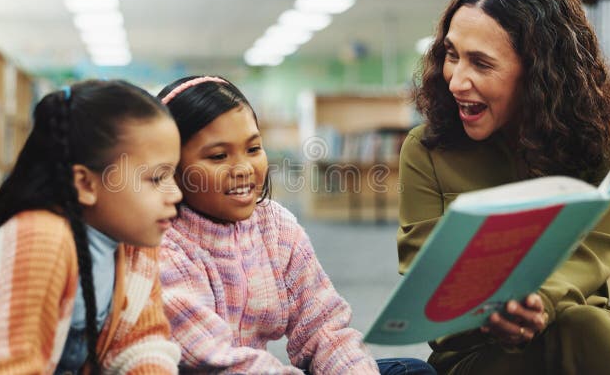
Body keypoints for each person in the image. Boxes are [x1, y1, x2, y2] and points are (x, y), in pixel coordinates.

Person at [398, 0, 610, 374]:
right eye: (451, 54)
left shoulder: (609, 138)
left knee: (580, 324)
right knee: (581, 326)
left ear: (539, 71)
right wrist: (499, 310)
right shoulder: (425, 150)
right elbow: (425, 284)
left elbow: (591, 252)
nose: (456, 81)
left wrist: (540, 303)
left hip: (583, 330)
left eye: (481, 63)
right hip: (478, 355)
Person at [0, 80, 183, 374]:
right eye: (157, 178)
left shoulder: (133, 244)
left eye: (174, 174)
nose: (176, 194)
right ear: (84, 184)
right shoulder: (42, 240)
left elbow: (140, 342)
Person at [156, 75, 436, 374]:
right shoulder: (161, 242)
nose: (244, 168)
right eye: (218, 156)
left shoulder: (275, 226)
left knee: (412, 371)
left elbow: (324, 327)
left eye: (253, 149)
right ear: (171, 165)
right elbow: (214, 360)